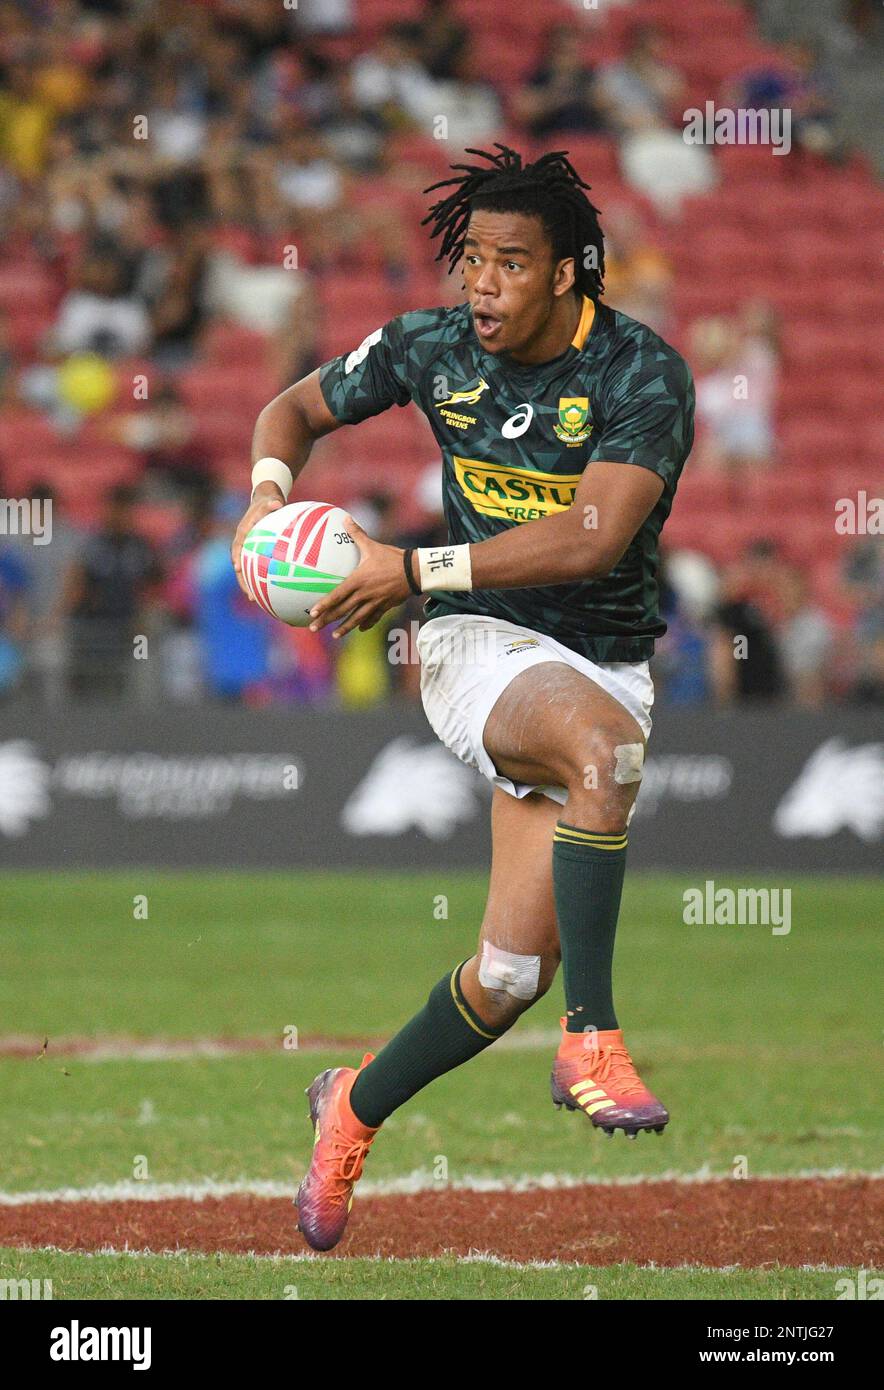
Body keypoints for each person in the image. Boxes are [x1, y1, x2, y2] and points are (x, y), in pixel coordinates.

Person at [231, 145, 695, 1251]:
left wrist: (413, 562)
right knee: (599, 754)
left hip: (597, 653)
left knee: (502, 974)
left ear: (568, 272)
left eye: (509, 263)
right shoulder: (425, 348)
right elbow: (289, 414)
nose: (480, 284)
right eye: (470, 260)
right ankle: (593, 1036)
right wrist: (263, 504)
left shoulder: (639, 375)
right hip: (474, 640)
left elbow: (591, 536)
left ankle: (348, 1108)